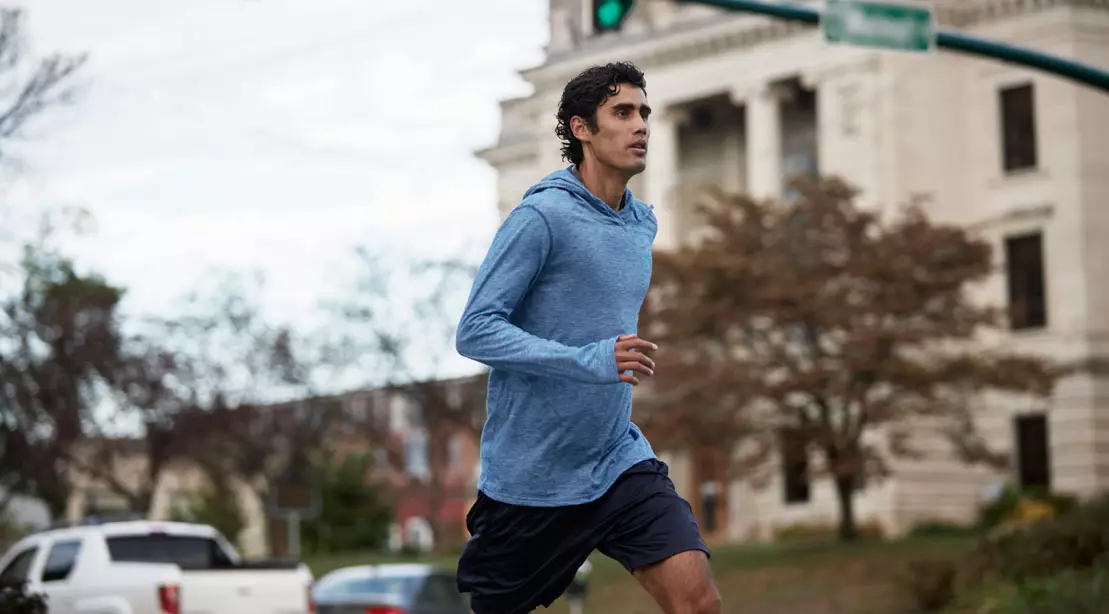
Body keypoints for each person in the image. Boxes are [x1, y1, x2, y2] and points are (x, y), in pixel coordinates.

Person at [454, 61, 723, 614]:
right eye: (622, 113)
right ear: (582, 129)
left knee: (698, 601)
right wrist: (590, 360)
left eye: (644, 113)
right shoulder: (541, 217)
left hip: (615, 458)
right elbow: (476, 330)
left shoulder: (641, 224)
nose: (640, 125)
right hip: (532, 479)